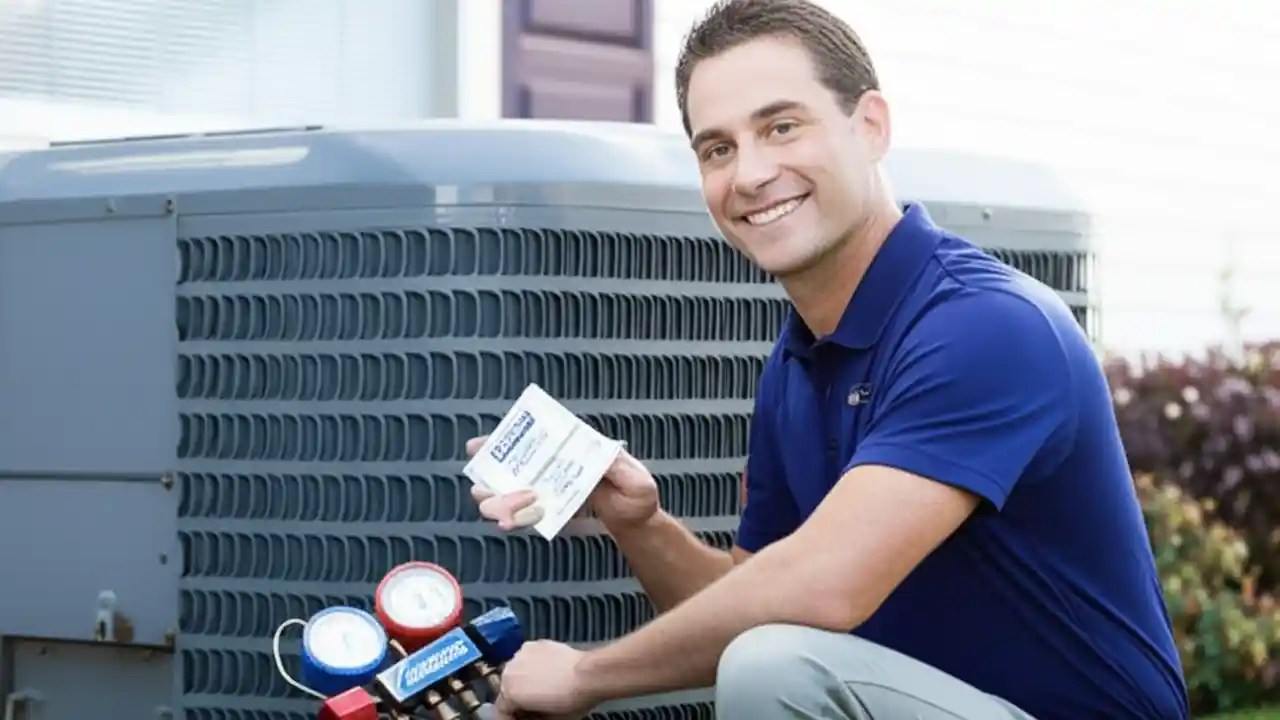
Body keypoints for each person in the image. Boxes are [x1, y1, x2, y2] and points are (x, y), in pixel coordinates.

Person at [464, 1, 1191, 718]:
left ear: (870, 126)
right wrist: (639, 523)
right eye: (718, 148)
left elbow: (821, 590)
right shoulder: (798, 359)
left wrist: (586, 675)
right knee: (769, 651)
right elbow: (751, 601)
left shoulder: (987, 326)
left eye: (781, 126)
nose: (749, 174)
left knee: (777, 667)